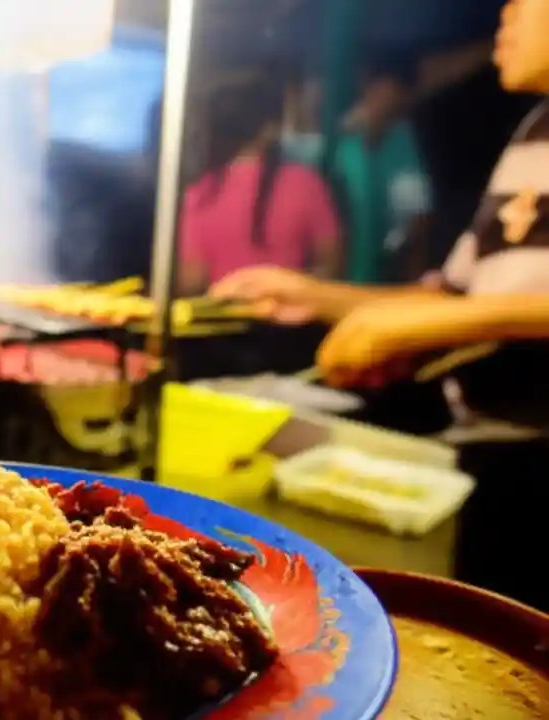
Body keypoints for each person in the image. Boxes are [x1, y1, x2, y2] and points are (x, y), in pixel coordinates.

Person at [212, 0, 549, 609]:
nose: (507, 13)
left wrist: (402, 329)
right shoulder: (533, 134)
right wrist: (317, 296)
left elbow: (454, 315)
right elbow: (452, 296)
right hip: (489, 460)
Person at [179, 78, 343, 296]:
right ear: (269, 129)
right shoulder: (306, 184)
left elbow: (193, 279)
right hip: (295, 324)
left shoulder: (199, 193)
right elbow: (332, 265)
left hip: (220, 323)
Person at [332, 59, 433, 284]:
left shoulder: (402, 140)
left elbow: (418, 219)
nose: (394, 100)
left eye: (400, 94)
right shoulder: (337, 140)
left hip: (382, 280)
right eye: (381, 90)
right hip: (339, 275)